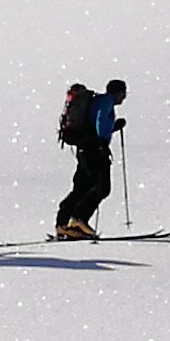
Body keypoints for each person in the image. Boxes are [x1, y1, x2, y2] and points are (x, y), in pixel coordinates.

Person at [55, 77, 125, 239]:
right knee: (101, 186)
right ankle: (78, 220)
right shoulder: (106, 101)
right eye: (123, 93)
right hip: (94, 149)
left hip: (84, 147)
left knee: (82, 187)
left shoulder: (97, 101)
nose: (124, 97)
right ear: (118, 92)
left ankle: (63, 224)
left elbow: (95, 123)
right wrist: (101, 142)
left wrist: (113, 127)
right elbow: (100, 121)